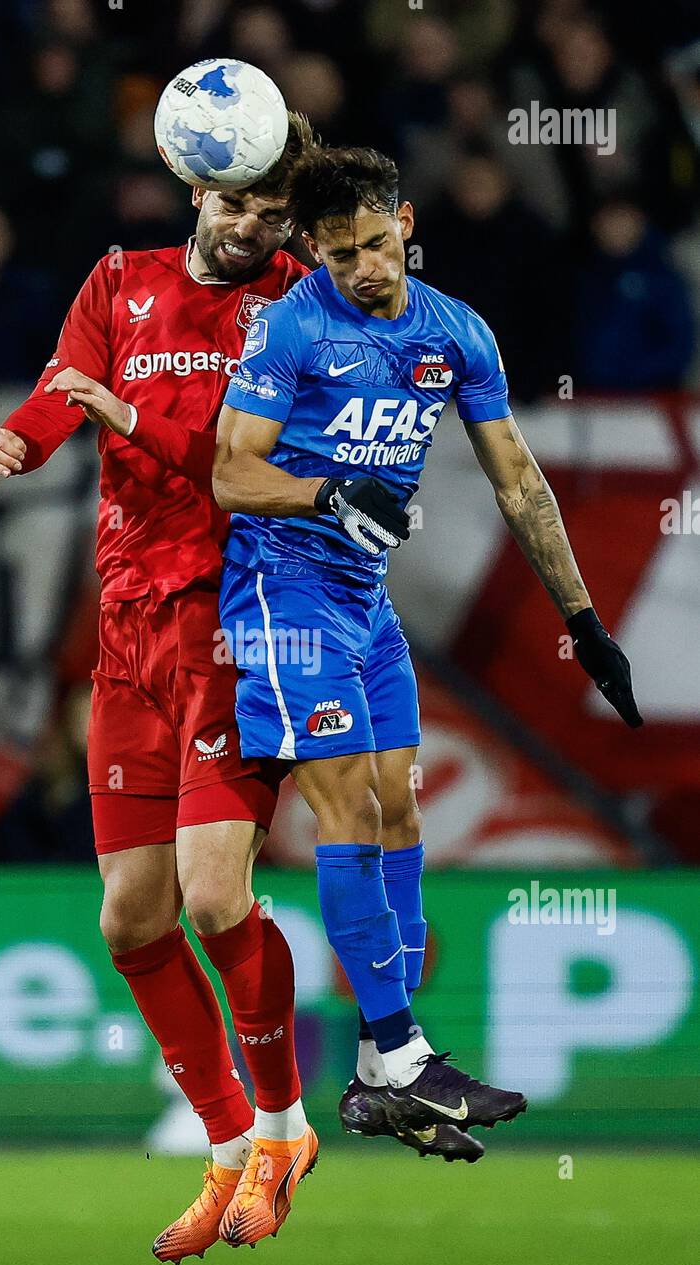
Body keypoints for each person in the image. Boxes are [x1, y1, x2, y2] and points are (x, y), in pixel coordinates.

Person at [212, 144, 642, 1148]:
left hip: (364, 600)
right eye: (340, 251)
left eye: (375, 240)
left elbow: (517, 481)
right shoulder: (289, 330)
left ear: (402, 224)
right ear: (312, 252)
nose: (365, 265)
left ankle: (378, 1071)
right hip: (282, 591)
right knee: (348, 804)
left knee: (402, 806)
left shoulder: (455, 334)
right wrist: (326, 491)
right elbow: (231, 473)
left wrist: (582, 623)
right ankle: (401, 1050)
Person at [0, 114, 320, 1262]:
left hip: (232, 617)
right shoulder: (120, 280)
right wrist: (21, 439)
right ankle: (223, 1145)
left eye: (270, 214)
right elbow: (61, 390)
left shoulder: (300, 306)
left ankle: (281, 1125)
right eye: (235, 206)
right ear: (197, 192)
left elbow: (233, 459)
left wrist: (120, 413)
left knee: (216, 895)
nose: (249, 228)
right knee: (130, 916)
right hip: (128, 633)